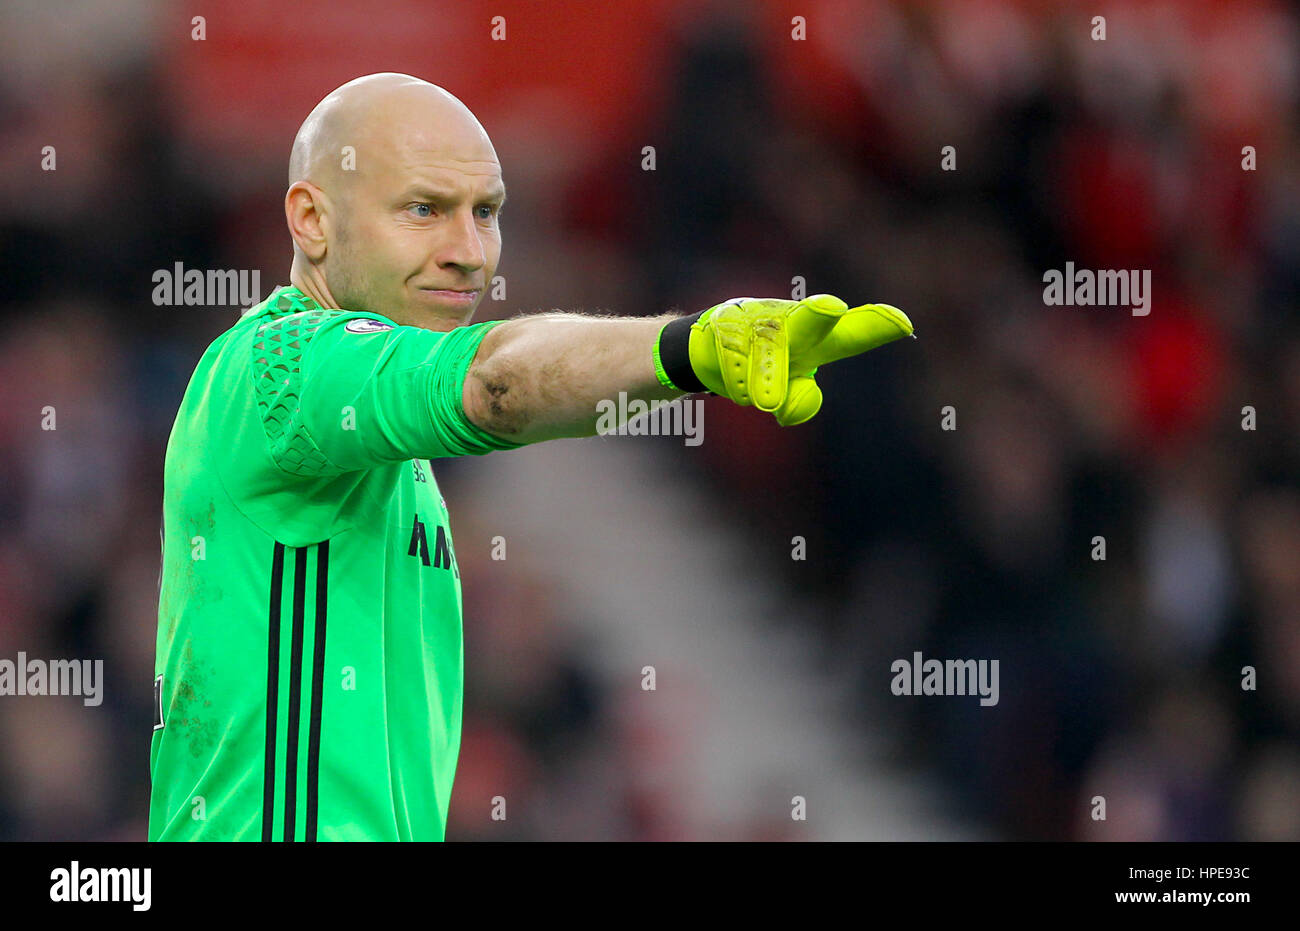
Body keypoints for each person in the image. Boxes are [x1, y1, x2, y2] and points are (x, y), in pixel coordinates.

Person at [148, 72, 913, 841]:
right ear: (313, 221)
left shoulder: (385, 454)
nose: (468, 253)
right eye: (423, 209)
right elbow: (496, 383)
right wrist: (695, 348)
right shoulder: (279, 366)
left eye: (486, 213)